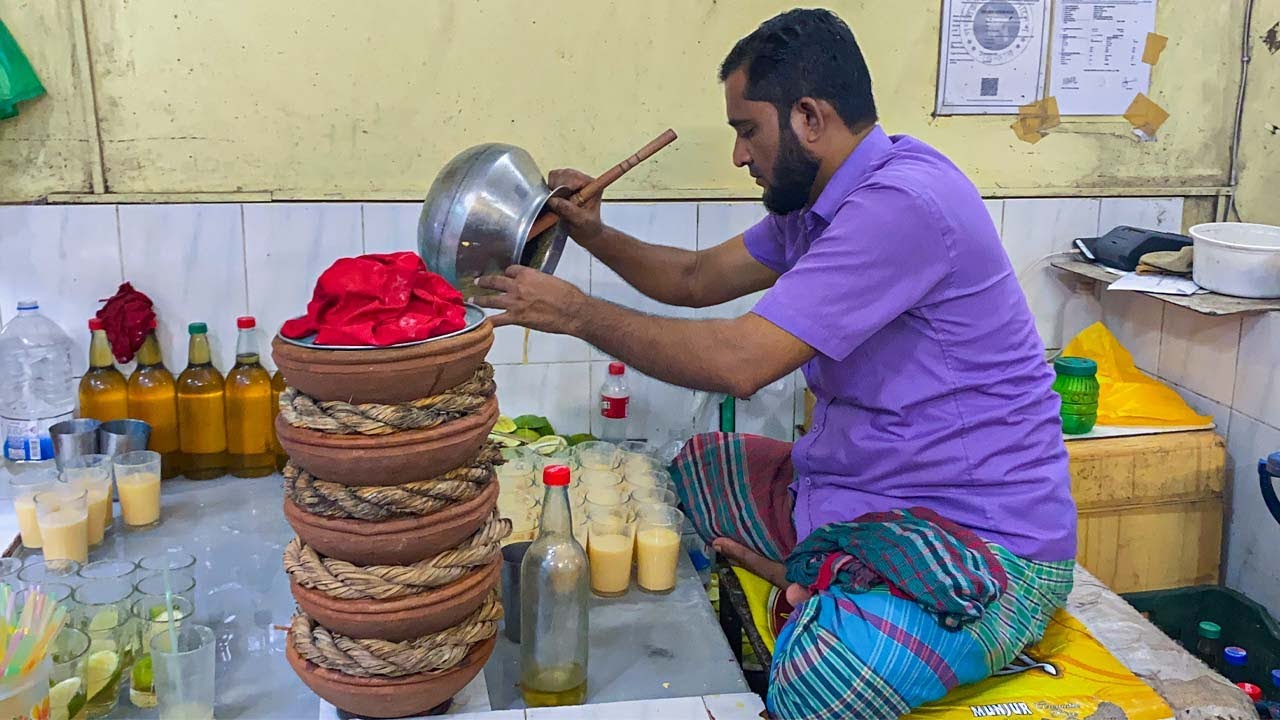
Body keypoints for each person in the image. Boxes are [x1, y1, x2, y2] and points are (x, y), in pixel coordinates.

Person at [475, 8, 1077, 719]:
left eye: (746, 130)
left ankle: (843, 589)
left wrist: (577, 314)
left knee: (816, 677)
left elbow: (742, 363)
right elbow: (695, 279)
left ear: (811, 117)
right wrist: (595, 234)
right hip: (866, 488)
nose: (738, 155)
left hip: (978, 537)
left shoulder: (901, 205)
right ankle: (830, 569)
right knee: (696, 468)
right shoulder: (820, 201)